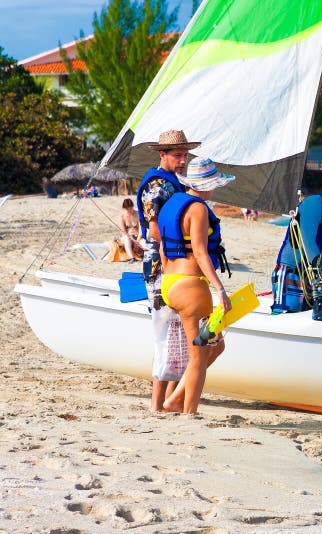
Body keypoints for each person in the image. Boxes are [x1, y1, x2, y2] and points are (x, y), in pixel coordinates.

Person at [158, 157, 234, 414]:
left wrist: (171, 277)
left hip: (170, 283)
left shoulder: (172, 202)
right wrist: (220, 289)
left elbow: (161, 245)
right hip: (192, 289)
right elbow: (201, 253)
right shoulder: (198, 209)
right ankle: (189, 413)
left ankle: (175, 399)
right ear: (209, 184)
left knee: (217, 345)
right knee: (198, 357)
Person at [137, 129, 200, 412]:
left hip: (172, 262)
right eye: (177, 155)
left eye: (185, 155)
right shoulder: (158, 187)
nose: (183, 160)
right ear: (162, 155)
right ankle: (157, 404)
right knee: (165, 330)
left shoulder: (174, 182)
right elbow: (154, 231)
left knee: (174, 332)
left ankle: (168, 401)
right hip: (159, 265)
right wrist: (191, 242)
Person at [272, 186, 322, 313]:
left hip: (312, 275)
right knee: (285, 320)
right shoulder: (314, 203)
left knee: (311, 320)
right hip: (292, 272)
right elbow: (307, 242)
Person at [118, 198, 142, 262]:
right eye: (127, 209)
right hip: (127, 237)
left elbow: (141, 229)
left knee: (144, 243)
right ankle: (131, 257)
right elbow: (123, 231)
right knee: (127, 238)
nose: (129, 210)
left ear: (132, 206)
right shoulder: (122, 216)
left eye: (130, 208)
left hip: (138, 236)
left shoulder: (138, 214)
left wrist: (137, 240)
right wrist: (132, 239)